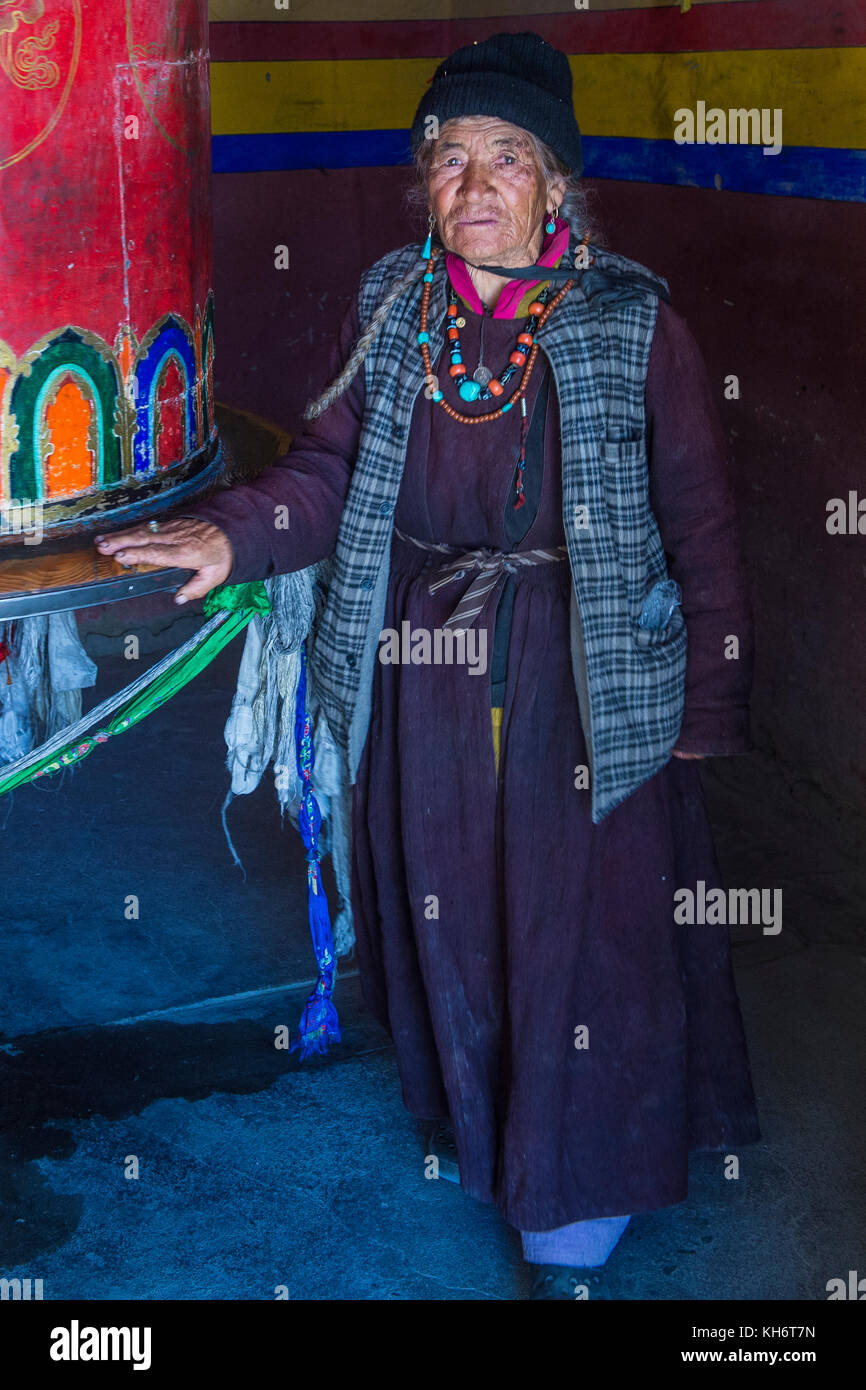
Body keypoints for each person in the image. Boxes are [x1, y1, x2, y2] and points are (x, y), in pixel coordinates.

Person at [96, 32, 759, 1300]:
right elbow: (328, 469)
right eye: (448, 158)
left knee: (583, 925)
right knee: (455, 895)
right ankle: (487, 1122)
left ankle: (576, 1190)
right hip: (431, 661)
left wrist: (706, 704)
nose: (472, 185)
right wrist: (227, 534)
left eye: (504, 158)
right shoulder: (395, 305)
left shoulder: (632, 322)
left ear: (554, 184)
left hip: (582, 666)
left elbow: (701, 518)